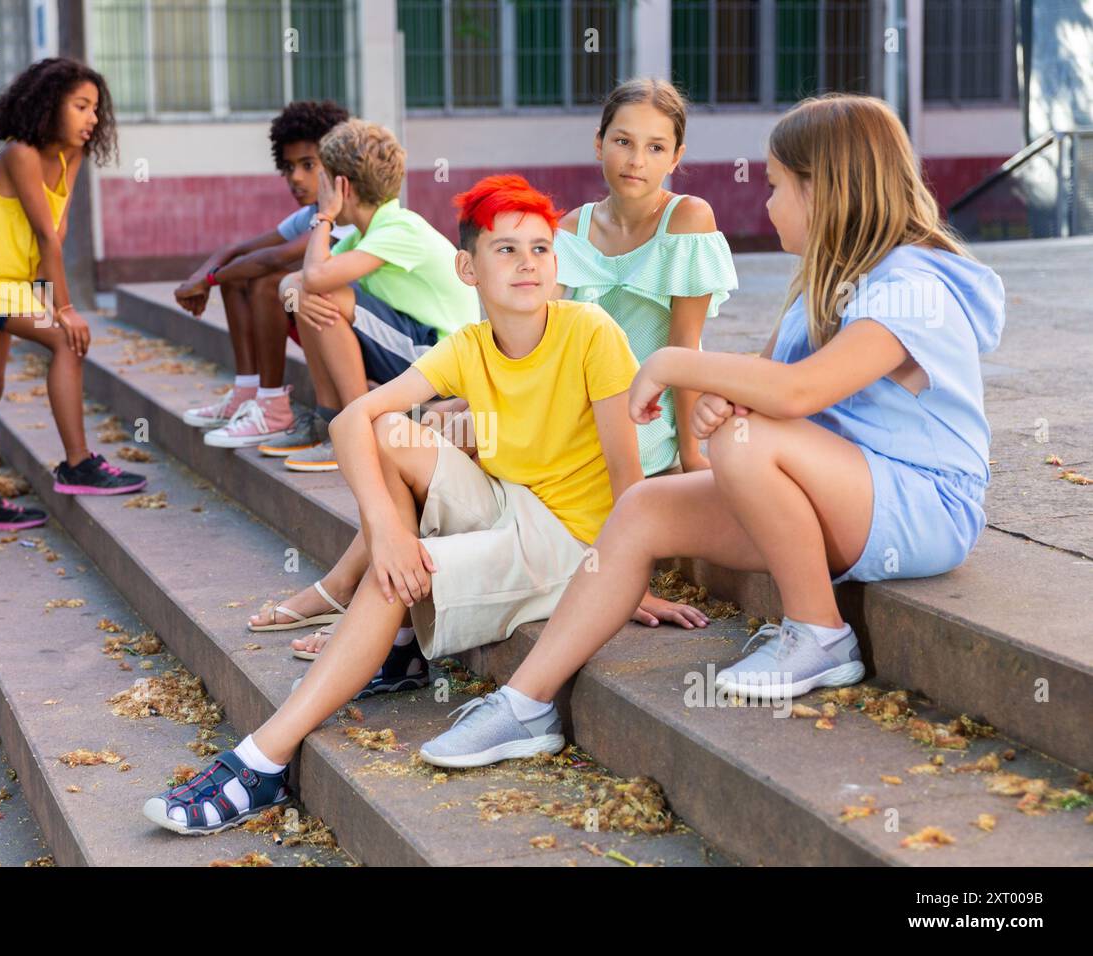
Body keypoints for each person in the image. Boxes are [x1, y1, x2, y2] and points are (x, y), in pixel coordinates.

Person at [418, 94, 1006, 768]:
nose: (767, 204)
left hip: (923, 510)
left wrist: (679, 367)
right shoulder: (832, 280)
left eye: (779, 187)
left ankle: (819, 632)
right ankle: (524, 705)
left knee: (743, 442)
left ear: (827, 190)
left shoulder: (912, 285)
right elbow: (774, 380)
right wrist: (724, 402)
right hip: (845, 498)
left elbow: (801, 391)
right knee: (641, 509)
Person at [142, 174, 704, 835]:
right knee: (390, 434)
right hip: (507, 505)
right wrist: (386, 530)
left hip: (565, 544)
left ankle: (262, 760)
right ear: (467, 267)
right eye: (506, 249)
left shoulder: (590, 333)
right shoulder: (469, 345)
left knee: (393, 580)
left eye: (541, 248)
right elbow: (354, 419)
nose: (528, 262)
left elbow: (627, 478)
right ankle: (401, 643)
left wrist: (618, 578)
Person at [0, 57, 145, 534]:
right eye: (81, 106)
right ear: (51, 105)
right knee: (65, 339)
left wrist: (47, 294)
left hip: (8, 281)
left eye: (96, 108)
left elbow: (58, 229)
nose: (93, 118)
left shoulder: (69, 157)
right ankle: (77, 464)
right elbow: (47, 239)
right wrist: (64, 309)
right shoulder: (21, 154)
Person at [555, 77, 737, 479]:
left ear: (675, 158)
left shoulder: (689, 220)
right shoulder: (569, 231)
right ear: (599, 143)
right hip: (577, 416)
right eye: (623, 142)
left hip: (648, 425)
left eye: (656, 148)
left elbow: (684, 348)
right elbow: (546, 342)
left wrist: (691, 456)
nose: (637, 160)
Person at [275, 119, 480, 473]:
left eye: (323, 177)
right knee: (312, 294)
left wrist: (323, 216)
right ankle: (330, 421)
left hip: (443, 363)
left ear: (342, 187)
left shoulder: (402, 228)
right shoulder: (363, 236)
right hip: (414, 356)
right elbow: (296, 281)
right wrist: (292, 288)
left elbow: (315, 275)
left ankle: (354, 435)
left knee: (323, 292)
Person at [176, 101, 352, 453]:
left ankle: (273, 407)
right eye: (288, 168)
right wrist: (202, 275)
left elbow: (272, 258)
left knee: (267, 281)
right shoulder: (310, 214)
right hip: (326, 326)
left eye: (308, 165)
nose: (296, 178)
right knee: (240, 277)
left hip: (357, 339)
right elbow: (239, 250)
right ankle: (248, 391)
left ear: (335, 164)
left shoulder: (344, 215)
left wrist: (208, 282)